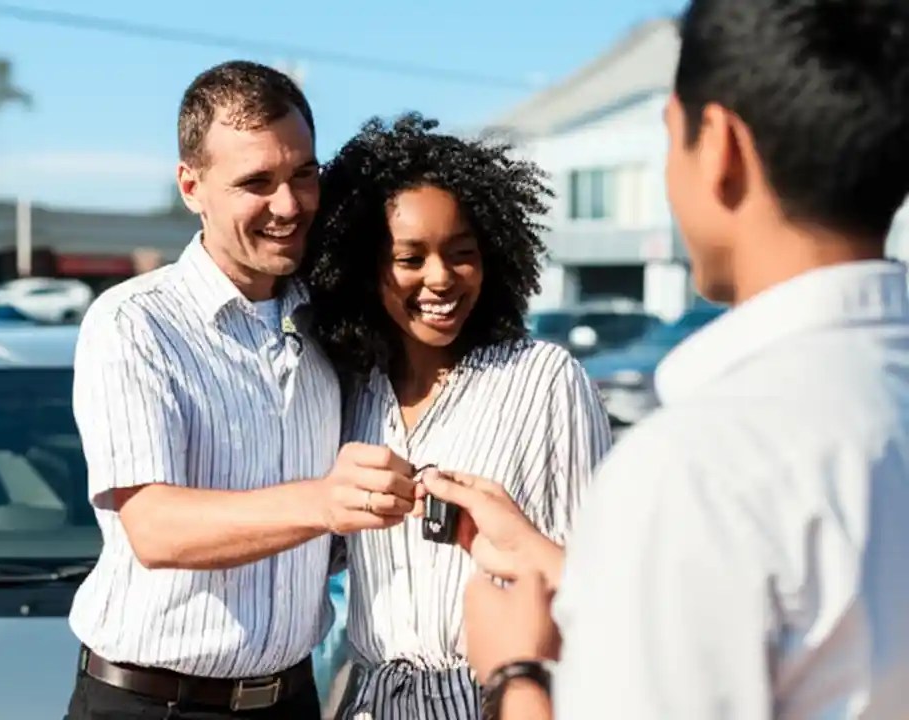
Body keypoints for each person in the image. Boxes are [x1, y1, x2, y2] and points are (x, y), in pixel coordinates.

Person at [422, 0, 909, 717]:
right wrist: (571, 570)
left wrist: (512, 671)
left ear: (717, 147)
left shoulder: (695, 468)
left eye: (669, 136)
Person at [64, 60, 421, 720]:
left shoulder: (332, 324)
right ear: (191, 186)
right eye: (256, 182)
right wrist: (325, 502)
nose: (289, 205)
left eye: (303, 174)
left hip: (293, 699)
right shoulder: (133, 323)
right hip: (152, 706)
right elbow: (156, 529)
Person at [300, 112, 613, 719]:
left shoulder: (545, 379)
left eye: (462, 254)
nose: (440, 278)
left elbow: (600, 577)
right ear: (366, 268)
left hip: (499, 695)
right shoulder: (352, 390)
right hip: (368, 697)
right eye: (410, 257)